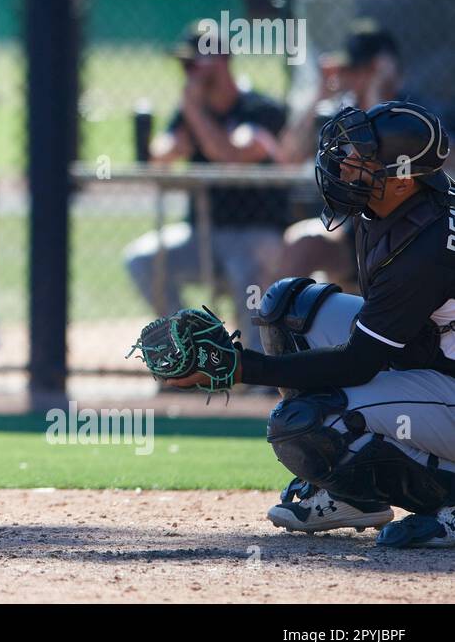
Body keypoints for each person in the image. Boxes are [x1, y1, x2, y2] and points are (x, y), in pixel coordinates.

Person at [160, 101, 455, 548]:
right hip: (438, 357)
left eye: (364, 157)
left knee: (308, 423)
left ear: (402, 176)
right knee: (289, 306)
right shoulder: (406, 200)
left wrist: (243, 368)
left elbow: (359, 362)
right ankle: (351, 493)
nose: (347, 163)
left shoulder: (426, 246)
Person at [123, 21, 289, 348]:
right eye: (185, 65)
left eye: (194, 64)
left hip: (256, 232)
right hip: (202, 233)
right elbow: (161, 157)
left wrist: (194, 113)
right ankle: (196, 349)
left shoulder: (260, 109)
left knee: (250, 278)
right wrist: (182, 128)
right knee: (141, 261)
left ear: (222, 60)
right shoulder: (191, 111)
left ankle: (259, 371)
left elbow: (230, 155)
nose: (188, 73)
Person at [269, 19, 404, 289]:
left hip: (408, 230)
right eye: (350, 69)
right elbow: (287, 156)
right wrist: (320, 94)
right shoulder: (340, 113)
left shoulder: (415, 109)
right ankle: (281, 328)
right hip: (353, 232)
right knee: (301, 243)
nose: (352, 77)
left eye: (361, 69)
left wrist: (378, 91)